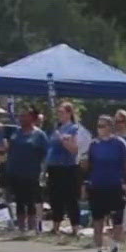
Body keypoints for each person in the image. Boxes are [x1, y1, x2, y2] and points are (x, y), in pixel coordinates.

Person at [79, 113, 126, 252]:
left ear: (110, 127)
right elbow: (88, 167)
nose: (99, 129)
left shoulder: (120, 143)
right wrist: (84, 182)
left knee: (117, 219)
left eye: (102, 126)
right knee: (98, 220)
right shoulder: (94, 145)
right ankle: (99, 249)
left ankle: (115, 247)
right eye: (98, 126)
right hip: (97, 185)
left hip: (115, 185)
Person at [45, 100, 89, 242]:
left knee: (70, 197)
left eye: (62, 112)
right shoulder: (57, 128)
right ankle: (56, 225)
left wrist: (63, 140)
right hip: (54, 167)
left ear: (69, 113)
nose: (59, 115)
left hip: (68, 167)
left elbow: (74, 149)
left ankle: (75, 226)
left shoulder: (73, 128)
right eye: (58, 112)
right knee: (55, 197)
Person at [3, 108, 48, 236]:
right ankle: (21, 227)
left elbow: (46, 154)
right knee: (19, 200)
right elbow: (9, 150)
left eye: (24, 116)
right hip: (15, 172)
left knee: (31, 201)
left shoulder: (39, 135)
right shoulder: (16, 132)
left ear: (32, 118)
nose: (21, 118)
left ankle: (32, 227)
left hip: (31, 173)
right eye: (20, 116)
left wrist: (43, 172)